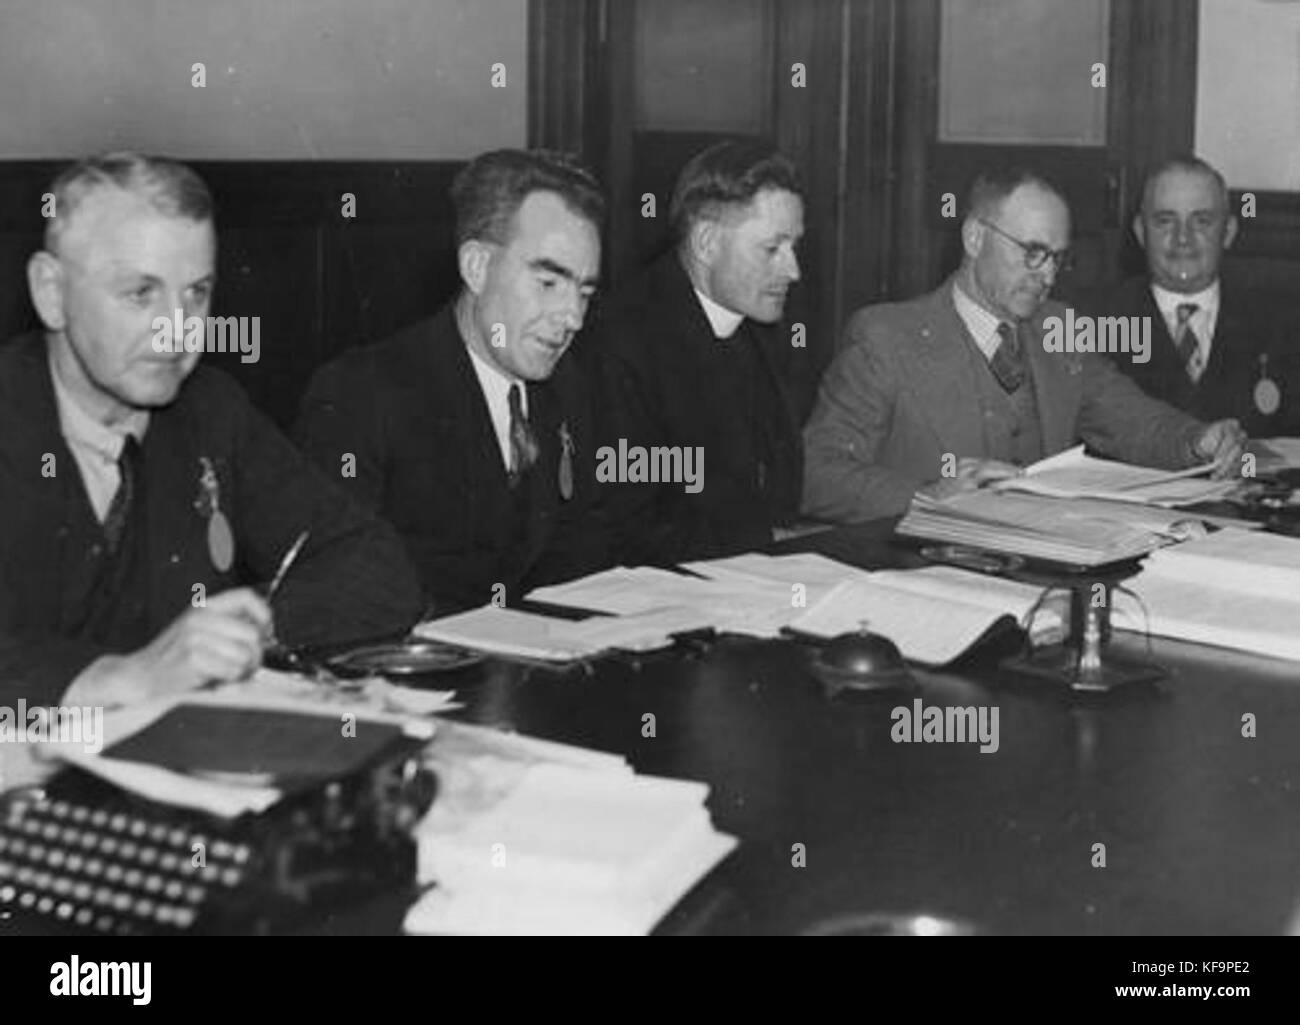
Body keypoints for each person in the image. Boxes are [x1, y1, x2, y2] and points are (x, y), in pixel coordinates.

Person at [0, 152, 423, 707]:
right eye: (140, 293)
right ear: (50, 292)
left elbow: (378, 568)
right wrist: (121, 678)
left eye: (196, 294)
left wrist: (243, 626)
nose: (178, 331)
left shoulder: (208, 411)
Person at [802, 166, 1247, 523]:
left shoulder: (1060, 327)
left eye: (1057, 257)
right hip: (917, 574)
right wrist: (926, 495)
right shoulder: (885, 337)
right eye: (1032, 251)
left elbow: (1129, 418)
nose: (1047, 275)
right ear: (975, 238)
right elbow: (815, 474)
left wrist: (1195, 440)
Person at [294, 149, 608, 612]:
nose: (573, 318)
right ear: (477, 267)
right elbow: (337, 587)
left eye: (584, 291)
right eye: (548, 283)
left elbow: (582, 555)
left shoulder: (570, 389)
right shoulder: (363, 394)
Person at [589, 141, 804, 565]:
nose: (793, 270)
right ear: (706, 242)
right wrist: (771, 540)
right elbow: (632, 526)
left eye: (795, 246)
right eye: (772, 248)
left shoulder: (754, 324)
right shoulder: (619, 341)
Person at [1090, 155, 1295, 435]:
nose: (1182, 238)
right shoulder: (1098, 323)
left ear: (1228, 232)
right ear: (1140, 232)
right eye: (1165, 221)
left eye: (1202, 221)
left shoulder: (1280, 324)